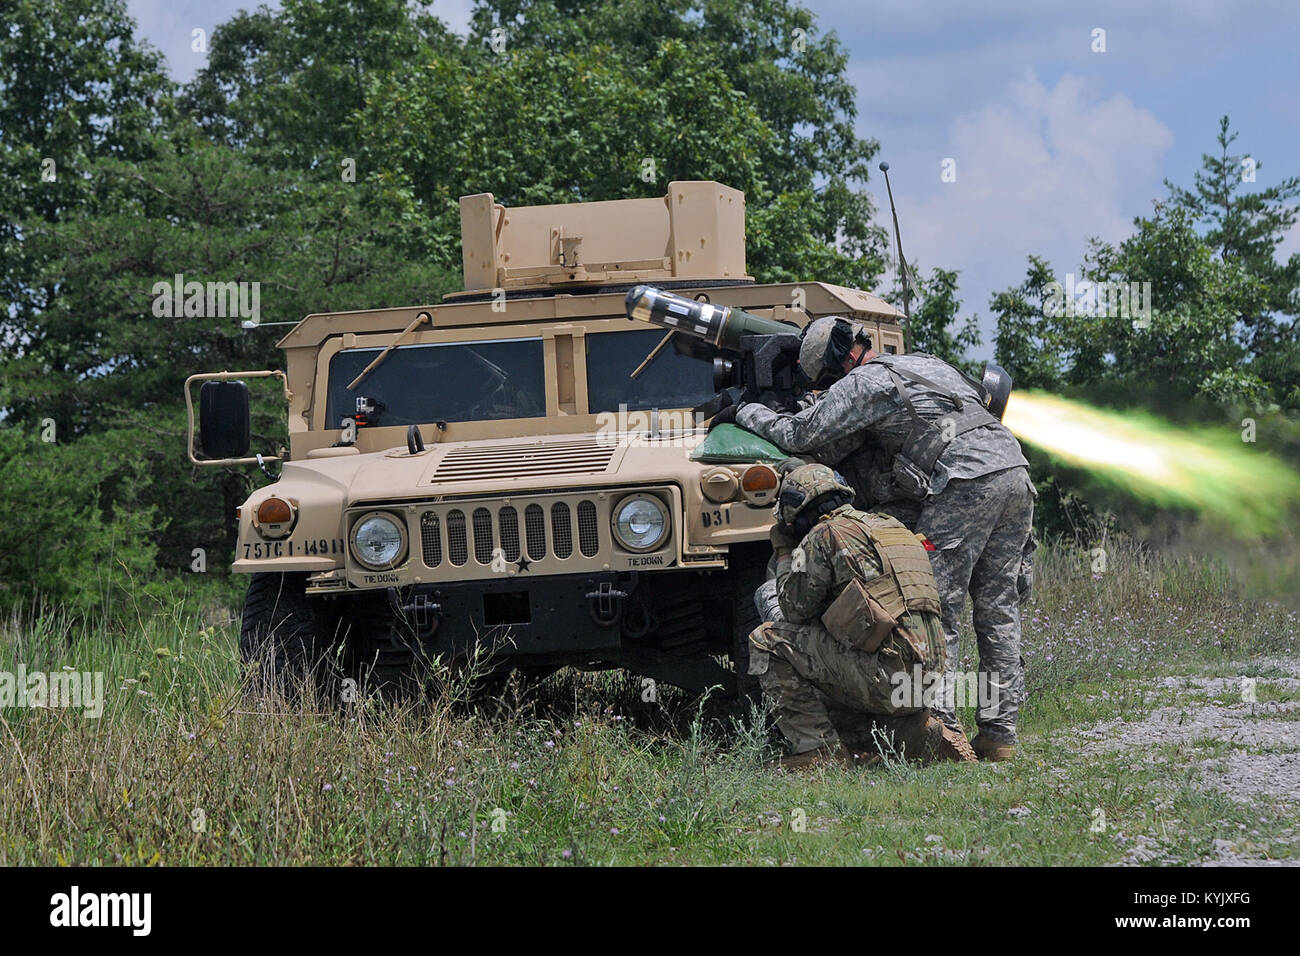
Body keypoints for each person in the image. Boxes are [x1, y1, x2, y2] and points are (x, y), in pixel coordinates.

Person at [726, 317, 1035, 761]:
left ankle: (942, 730)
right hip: (1014, 471)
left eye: (827, 382)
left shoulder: (864, 383)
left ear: (835, 367)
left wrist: (746, 409)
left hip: (964, 480)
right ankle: (999, 735)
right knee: (998, 611)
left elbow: (801, 434)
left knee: (936, 605)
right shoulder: (926, 363)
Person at [747, 462, 977, 769]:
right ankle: (912, 734)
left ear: (797, 512)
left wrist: (785, 552)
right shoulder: (894, 528)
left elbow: (793, 610)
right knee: (837, 657)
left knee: (767, 640)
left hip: (885, 676)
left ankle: (820, 751)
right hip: (928, 679)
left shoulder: (824, 535)